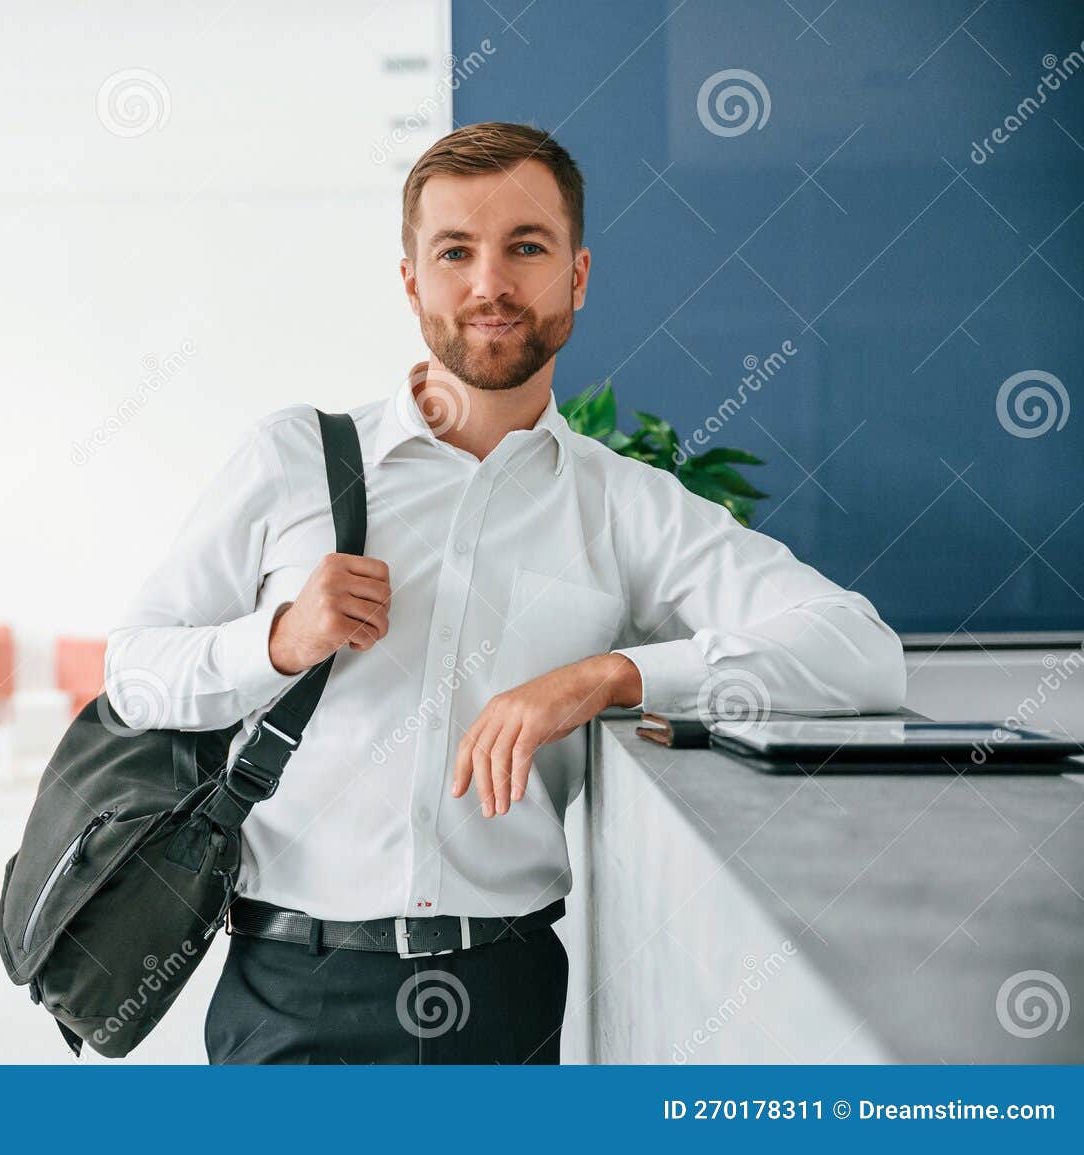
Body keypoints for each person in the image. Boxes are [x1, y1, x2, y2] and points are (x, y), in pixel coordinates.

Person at [103, 121, 907, 1064]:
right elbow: (135, 673)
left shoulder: (624, 506)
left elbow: (858, 652)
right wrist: (277, 641)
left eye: (527, 247)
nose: (490, 283)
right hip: (289, 994)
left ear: (578, 275)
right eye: (456, 252)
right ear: (411, 280)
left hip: (505, 998)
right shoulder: (292, 460)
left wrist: (605, 676)